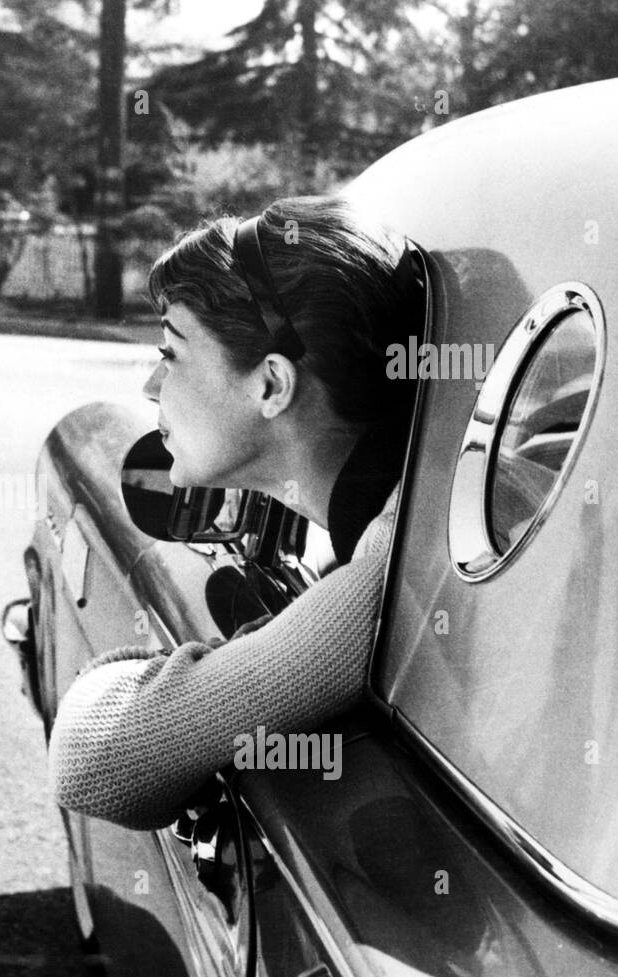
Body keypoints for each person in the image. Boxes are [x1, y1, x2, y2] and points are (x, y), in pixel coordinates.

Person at [47, 195, 426, 831]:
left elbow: (95, 763)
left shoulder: (388, 576)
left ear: (271, 385)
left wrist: (180, 669)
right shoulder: (407, 510)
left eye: (170, 354)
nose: (148, 386)